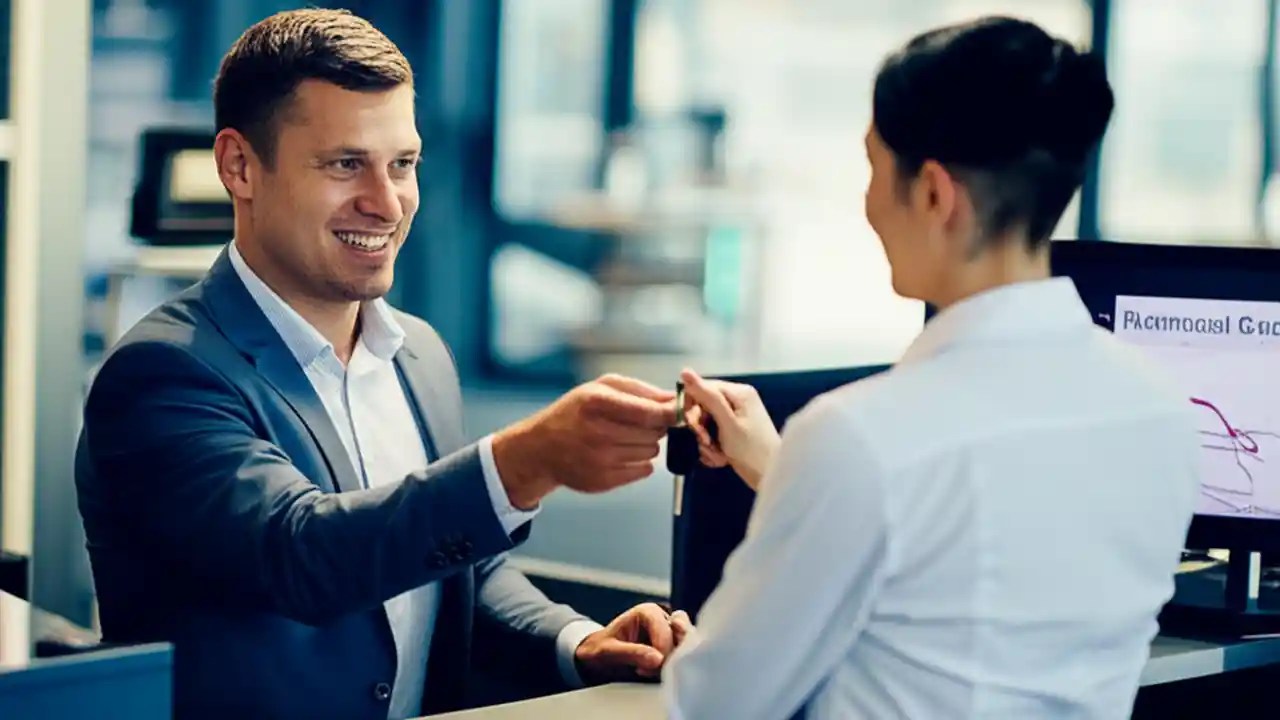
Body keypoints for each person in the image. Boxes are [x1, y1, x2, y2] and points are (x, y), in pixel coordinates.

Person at [74, 9, 685, 720]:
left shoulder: (419, 355)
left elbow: (463, 567)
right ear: (239, 167)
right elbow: (304, 554)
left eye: (403, 164)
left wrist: (575, 642)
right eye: (345, 164)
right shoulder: (162, 373)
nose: (386, 203)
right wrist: (524, 462)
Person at [663, 16, 1199, 720]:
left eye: (873, 169)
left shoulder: (860, 439)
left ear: (935, 195)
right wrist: (791, 474)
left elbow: (715, 703)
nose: (867, 203)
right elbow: (980, 575)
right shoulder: (1160, 411)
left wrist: (702, 649)